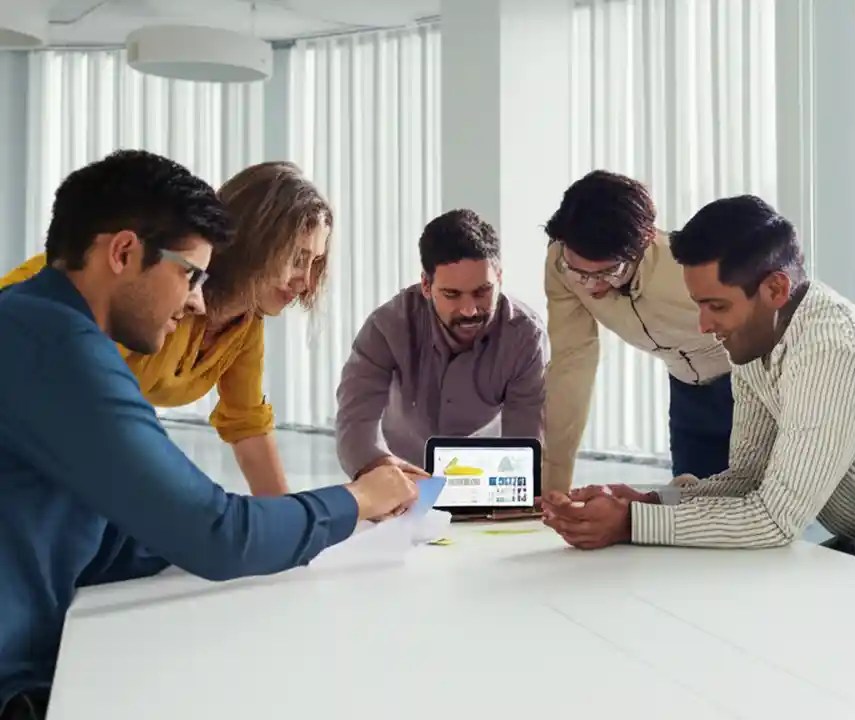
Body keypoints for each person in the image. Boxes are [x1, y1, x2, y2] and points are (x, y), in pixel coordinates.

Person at [0, 150, 420, 718]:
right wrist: (355, 500)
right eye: (190, 274)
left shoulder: (55, 333)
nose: (198, 298)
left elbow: (142, 529)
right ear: (123, 252)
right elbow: (213, 532)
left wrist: (287, 527)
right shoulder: (56, 343)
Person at [541, 195, 855, 595]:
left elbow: (774, 519)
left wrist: (631, 523)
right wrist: (650, 499)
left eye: (716, 306)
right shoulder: (757, 344)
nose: (704, 325)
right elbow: (750, 479)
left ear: (775, 289)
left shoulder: (831, 349)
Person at [0, 160, 336, 497]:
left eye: (315, 263)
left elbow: (247, 423)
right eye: (297, 258)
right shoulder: (146, 298)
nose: (306, 283)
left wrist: (288, 524)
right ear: (256, 241)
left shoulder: (243, 324)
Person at [543, 170, 733, 494]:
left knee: (751, 511)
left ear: (644, 242)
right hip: (687, 391)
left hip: (746, 380)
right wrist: (550, 490)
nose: (592, 286)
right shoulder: (561, 266)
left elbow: (764, 332)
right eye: (579, 272)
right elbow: (571, 364)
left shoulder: (687, 267)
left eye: (607, 272)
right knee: (690, 510)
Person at [335, 209, 547, 479]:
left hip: (488, 474)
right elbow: (355, 423)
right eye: (452, 294)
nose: (469, 310)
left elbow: (526, 445)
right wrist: (379, 474)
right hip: (400, 470)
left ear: (500, 278)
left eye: (483, 291)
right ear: (426, 285)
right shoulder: (386, 327)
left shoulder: (526, 337)